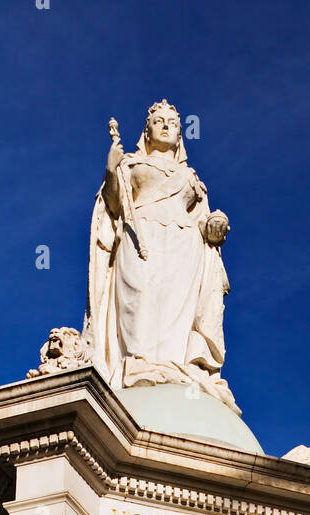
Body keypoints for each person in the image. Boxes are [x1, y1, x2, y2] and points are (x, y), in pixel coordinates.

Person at [84, 100, 237, 410]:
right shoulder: (131, 164)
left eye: (172, 122)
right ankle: (137, 364)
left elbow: (204, 224)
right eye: (159, 121)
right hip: (140, 233)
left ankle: (172, 365)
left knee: (175, 304)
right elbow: (114, 206)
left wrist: (215, 225)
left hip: (184, 243)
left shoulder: (192, 178)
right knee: (139, 294)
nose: (166, 125)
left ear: (180, 134)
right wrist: (111, 169)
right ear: (148, 131)